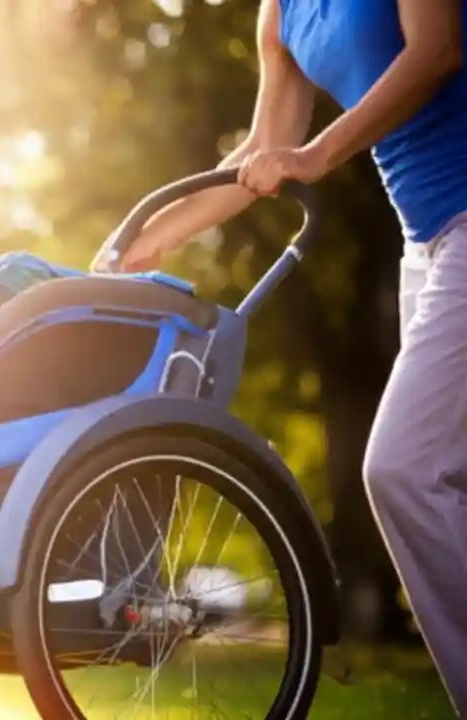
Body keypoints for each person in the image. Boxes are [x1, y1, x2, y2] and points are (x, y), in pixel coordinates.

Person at [93, 0, 467, 710]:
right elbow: (262, 149)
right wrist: (152, 233)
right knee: (443, 481)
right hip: (427, 245)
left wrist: (314, 156)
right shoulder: (281, 13)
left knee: (404, 470)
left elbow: (437, 50)